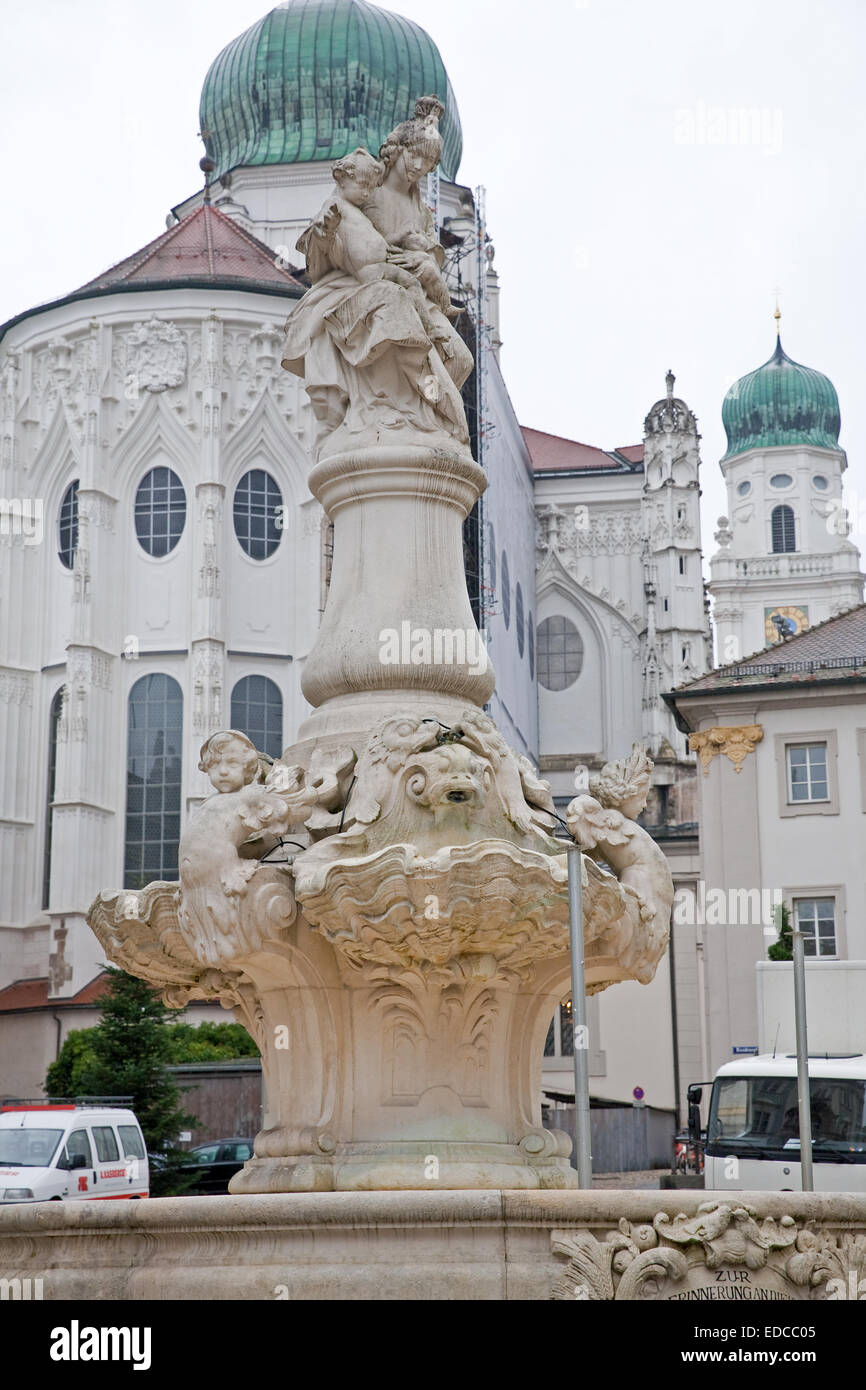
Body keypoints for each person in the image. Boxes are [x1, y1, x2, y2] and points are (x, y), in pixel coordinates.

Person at [281, 98, 472, 459]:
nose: (420, 168)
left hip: (412, 285)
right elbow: (331, 244)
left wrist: (421, 252)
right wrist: (328, 235)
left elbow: (430, 256)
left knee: (461, 359)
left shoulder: (421, 208)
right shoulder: (368, 188)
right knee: (398, 320)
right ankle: (387, 416)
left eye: (429, 164)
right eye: (415, 157)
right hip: (365, 285)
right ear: (396, 151)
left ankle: (430, 420)